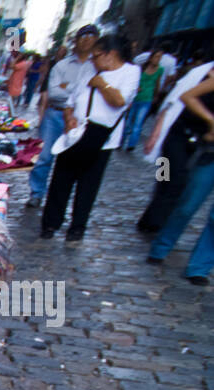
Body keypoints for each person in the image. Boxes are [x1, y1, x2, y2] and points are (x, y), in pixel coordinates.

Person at [41, 34, 140, 242]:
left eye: (96, 56)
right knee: (61, 179)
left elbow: (120, 101)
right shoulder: (89, 69)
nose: (92, 60)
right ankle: (50, 223)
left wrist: (101, 84)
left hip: (100, 136)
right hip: (75, 133)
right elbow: (70, 100)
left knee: (88, 183)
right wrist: (68, 120)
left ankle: (77, 227)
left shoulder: (131, 72)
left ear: (111, 54)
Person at [146, 72, 214, 284]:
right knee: (187, 202)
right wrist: (211, 120)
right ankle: (161, 246)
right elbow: (187, 96)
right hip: (197, 146)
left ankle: (199, 268)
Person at [27, 24, 100, 208]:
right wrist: (78, 92)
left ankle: (58, 200)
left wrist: (67, 88)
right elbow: (54, 93)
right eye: (83, 37)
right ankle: (36, 193)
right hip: (55, 114)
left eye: (91, 37)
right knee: (43, 156)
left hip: (79, 119)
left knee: (69, 161)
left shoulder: (97, 66)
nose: (86, 40)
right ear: (76, 40)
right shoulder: (62, 65)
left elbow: (93, 94)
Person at [139, 55, 214, 232]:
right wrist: (156, 131)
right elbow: (171, 102)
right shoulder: (199, 74)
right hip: (176, 135)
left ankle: (156, 220)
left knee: (178, 181)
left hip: (198, 142)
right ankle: (153, 220)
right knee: (165, 177)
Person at [126, 51, 165, 150]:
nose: (158, 59)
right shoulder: (142, 67)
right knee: (128, 121)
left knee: (138, 123)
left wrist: (156, 96)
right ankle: (120, 141)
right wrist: (135, 87)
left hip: (147, 98)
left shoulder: (160, 70)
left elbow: (157, 83)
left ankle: (131, 145)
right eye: (156, 57)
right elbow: (135, 80)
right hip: (136, 97)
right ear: (151, 58)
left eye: (160, 58)